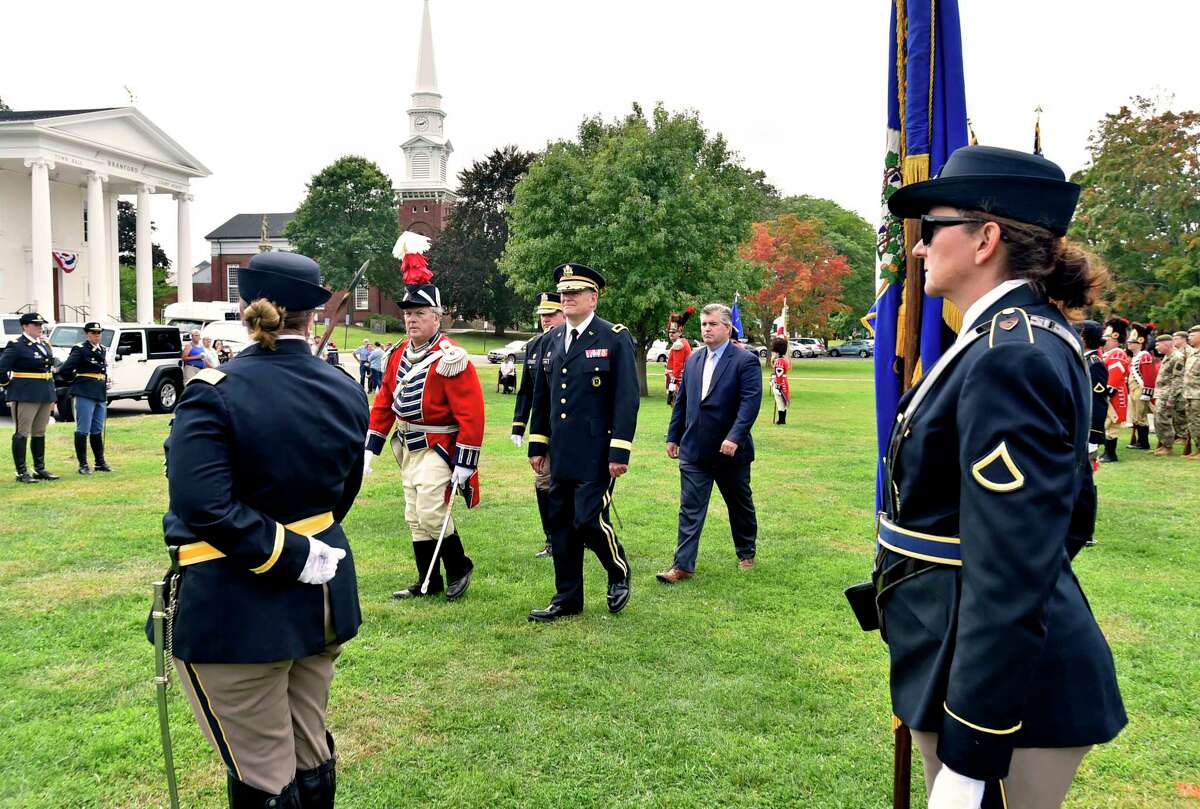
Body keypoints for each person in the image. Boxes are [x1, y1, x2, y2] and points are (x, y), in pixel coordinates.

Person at [874, 145, 1126, 808]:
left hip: (997, 688)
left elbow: (1013, 565)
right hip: (957, 646)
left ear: (986, 237)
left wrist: (973, 747)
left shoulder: (1010, 354)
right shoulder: (1012, 338)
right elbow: (1064, 518)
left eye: (932, 227)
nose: (920, 247)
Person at [153, 250, 369, 806]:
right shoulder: (344, 386)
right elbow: (340, 494)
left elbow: (202, 507)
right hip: (320, 598)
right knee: (308, 748)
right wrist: (304, 550)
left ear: (247, 306)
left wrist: (288, 555)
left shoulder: (212, 390)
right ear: (311, 314)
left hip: (236, 604)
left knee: (264, 770)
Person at [526, 263, 638, 622]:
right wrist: (538, 444)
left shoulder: (613, 337)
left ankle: (618, 571)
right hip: (561, 451)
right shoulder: (553, 339)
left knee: (588, 520)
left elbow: (626, 398)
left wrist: (619, 450)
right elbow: (543, 397)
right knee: (560, 524)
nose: (567, 297)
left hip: (597, 451)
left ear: (594, 298)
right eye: (563, 292)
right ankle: (568, 598)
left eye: (575, 292)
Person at [364, 282, 484, 601]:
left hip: (437, 446)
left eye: (419, 313)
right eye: (408, 314)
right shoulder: (399, 353)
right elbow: (385, 400)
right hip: (406, 446)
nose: (411, 320)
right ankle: (427, 581)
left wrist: (465, 463)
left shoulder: (450, 357)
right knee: (414, 515)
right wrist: (370, 448)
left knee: (432, 510)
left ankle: (459, 566)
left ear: (436, 318)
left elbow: (471, 415)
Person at [657, 303, 761, 584]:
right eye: (704, 324)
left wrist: (734, 437)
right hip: (695, 450)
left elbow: (750, 403)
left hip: (730, 452)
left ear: (727, 328)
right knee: (690, 507)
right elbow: (682, 401)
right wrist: (673, 436)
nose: (706, 329)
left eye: (713, 324)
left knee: (739, 504)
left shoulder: (745, 360)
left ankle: (746, 553)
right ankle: (682, 565)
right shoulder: (694, 359)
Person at [511, 292, 565, 558]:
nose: (545, 320)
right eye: (542, 315)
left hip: (571, 430)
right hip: (544, 430)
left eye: (551, 314)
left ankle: (583, 532)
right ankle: (552, 538)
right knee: (544, 481)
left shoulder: (571, 344)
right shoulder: (534, 346)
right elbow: (527, 391)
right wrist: (519, 426)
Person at [0, 312, 59, 483]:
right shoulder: (17, 345)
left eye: (41, 325)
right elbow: (2, 369)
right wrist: (9, 386)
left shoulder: (44, 344)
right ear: (25, 326)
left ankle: (39, 468)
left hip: (44, 392)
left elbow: (47, 370)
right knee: (22, 432)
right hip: (25, 394)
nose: (40, 328)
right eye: (36, 325)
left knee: (39, 432)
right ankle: (21, 472)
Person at [59, 321, 112, 475]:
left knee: (97, 428)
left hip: (99, 392)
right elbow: (65, 370)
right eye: (93, 333)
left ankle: (99, 462)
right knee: (83, 429)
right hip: (85, 391)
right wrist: (77, 382)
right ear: (86, 334)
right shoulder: (80, 349)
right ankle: (83, 464)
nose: (96, 336)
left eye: (99, 333)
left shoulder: (102, 349)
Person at [1075, 320, 1109, 468]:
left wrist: (1094, 433)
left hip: (1088, 429)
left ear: (1083, 337)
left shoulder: (1094, 364)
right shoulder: (1084, 360)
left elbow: (1097, 401)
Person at [1099, 318, 1130, 463]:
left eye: (1106, 338)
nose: (1104, 341)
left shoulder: (1117, 354)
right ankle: (1107, 452)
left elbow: (1115, 375)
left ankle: (1110, 453)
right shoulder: (1110, 354)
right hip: (1110, 392)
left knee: (1111, 424)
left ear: (1115, 339)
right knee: (1107, 422)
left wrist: (1107, 393)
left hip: (1114, 394)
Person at [1126, 323, 1155, 450]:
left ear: (1140, 341)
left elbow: (1148, 375)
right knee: (1136, 416)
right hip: (1134, 389)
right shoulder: (1136, 356)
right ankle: (1140, 441)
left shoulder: (1145, 355)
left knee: (1141, 416)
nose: (1129, 344)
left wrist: (1147, 392)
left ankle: (1144, 442)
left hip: (1141, 389)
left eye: (1131, 342)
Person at [665, 308, 694, 406]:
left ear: (680, 331)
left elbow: (678, 366)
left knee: (678, 412)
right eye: (669, 332)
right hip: (680, 381)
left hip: (678, 383)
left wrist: (673, 383)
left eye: (673, 332)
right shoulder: (682, 342)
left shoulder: (679, 345)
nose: (671, 334)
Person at [1184, 325, 1200, 459]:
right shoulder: (1193, 352)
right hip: (1190, 394)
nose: (1189, 338)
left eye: (1192, 335)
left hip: (1198, 395)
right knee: (1192, 423)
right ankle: (1198, 449)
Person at [769, 336, 790, 425]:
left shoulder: (779, 361)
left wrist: (777, 385)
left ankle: (781, 420)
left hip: (780, 383)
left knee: (780, 402)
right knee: (781, 402)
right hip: (782, 382)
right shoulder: (783, 360)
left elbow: (779, 374)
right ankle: (782, 419)